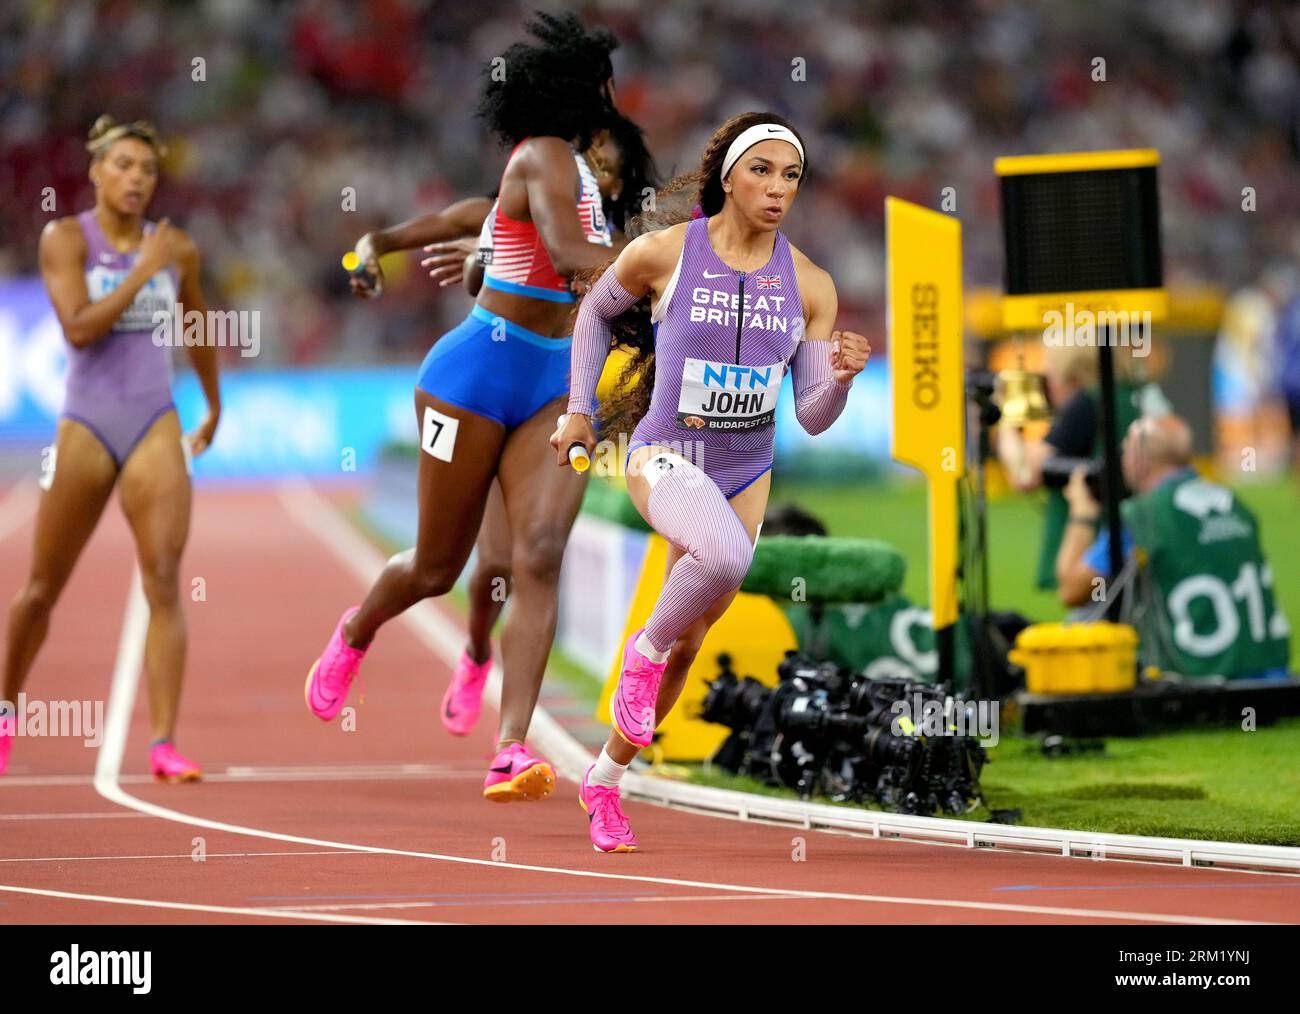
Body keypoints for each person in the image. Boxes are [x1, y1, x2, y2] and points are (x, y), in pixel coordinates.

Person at [305, 11, 625, 804]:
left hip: (557, 383)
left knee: (536, 554)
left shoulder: (587, 181)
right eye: (601, 86)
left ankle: (510, 747)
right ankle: (355, 631)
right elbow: (571, 258)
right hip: (472, 379)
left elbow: (514, 237)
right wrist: (685, 260)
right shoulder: (542, 155)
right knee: (437, 567)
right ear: (575, 93)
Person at [553, 111, 871, 852]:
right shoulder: (664, 253)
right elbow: (594, 314)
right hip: (666, 453)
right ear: (728, 176)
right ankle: (641, 651)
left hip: (745, 470)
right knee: (725, 559)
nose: (778, 188)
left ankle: (604, 780)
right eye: (762, 170)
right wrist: (579, 411)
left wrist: (841, 378)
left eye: (791, 176)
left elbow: (812, 415)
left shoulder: (812, 286)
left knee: (692, 643)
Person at [343, 111, 656, 737]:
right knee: (475, 569)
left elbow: (605, 289)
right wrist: (374, 251)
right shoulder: (503, 206)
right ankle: (475, 651)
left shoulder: (616, 243)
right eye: (591, 159)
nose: (593, 173)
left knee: (523, 560)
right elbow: (428, 242)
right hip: (480, 392)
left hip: (551, 395)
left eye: (607, 169)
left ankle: (503, 722)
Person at [2, 116, 222, 780]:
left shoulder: (176, 247)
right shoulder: (66, 239)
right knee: (41, 589)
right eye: (123, 165)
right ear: (95, 171)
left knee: (164, 579)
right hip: (86, 425)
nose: (137, 179)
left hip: (155, 417)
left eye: (148, 170)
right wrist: (141, 271)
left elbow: (196, 322)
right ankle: (5, 709)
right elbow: (78, 329)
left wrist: (214, 403)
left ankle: (163, 743)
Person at [1056, 414, 1290, 680]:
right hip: (1272, 671)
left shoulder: (1144, 515)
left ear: (1139, 461)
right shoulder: (1234, 503)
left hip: (1201, 676)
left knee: (1080, 620)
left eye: (1126, 452)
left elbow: (1071, 590)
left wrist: (1082, 514)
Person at [997, 344, 1142, 590]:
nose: (1046, 388)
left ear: (1072, 377)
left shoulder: (1087, 402)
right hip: (1137, 539)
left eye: (1050, 378)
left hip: (1095, 554)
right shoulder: (1133, 395)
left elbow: (1024, 475)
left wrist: (1007, 420)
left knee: (1092, 611)